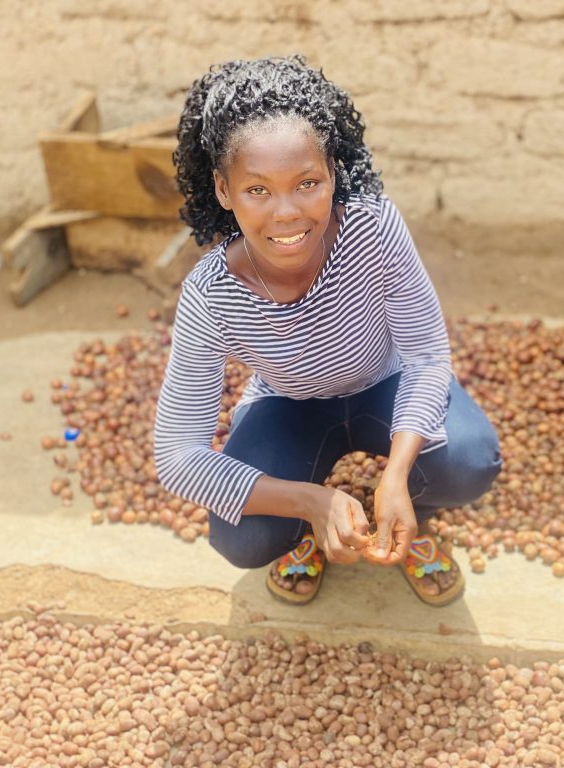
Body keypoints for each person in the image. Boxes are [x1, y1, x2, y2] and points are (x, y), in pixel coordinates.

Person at [154, 56, 501, 607]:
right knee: (242, 535)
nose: (287, 214)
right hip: (289, 405)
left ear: (334, 173)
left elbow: (427, 356)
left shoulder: (372, 227)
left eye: (307, 183)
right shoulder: (211, 295)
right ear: (223, 190)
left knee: (470, 462)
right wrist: (309, 503)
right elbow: (176, 454)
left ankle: (408, 513)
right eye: (258, 191)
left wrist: (397, 474)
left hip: (382, 386)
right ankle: (314, 527)